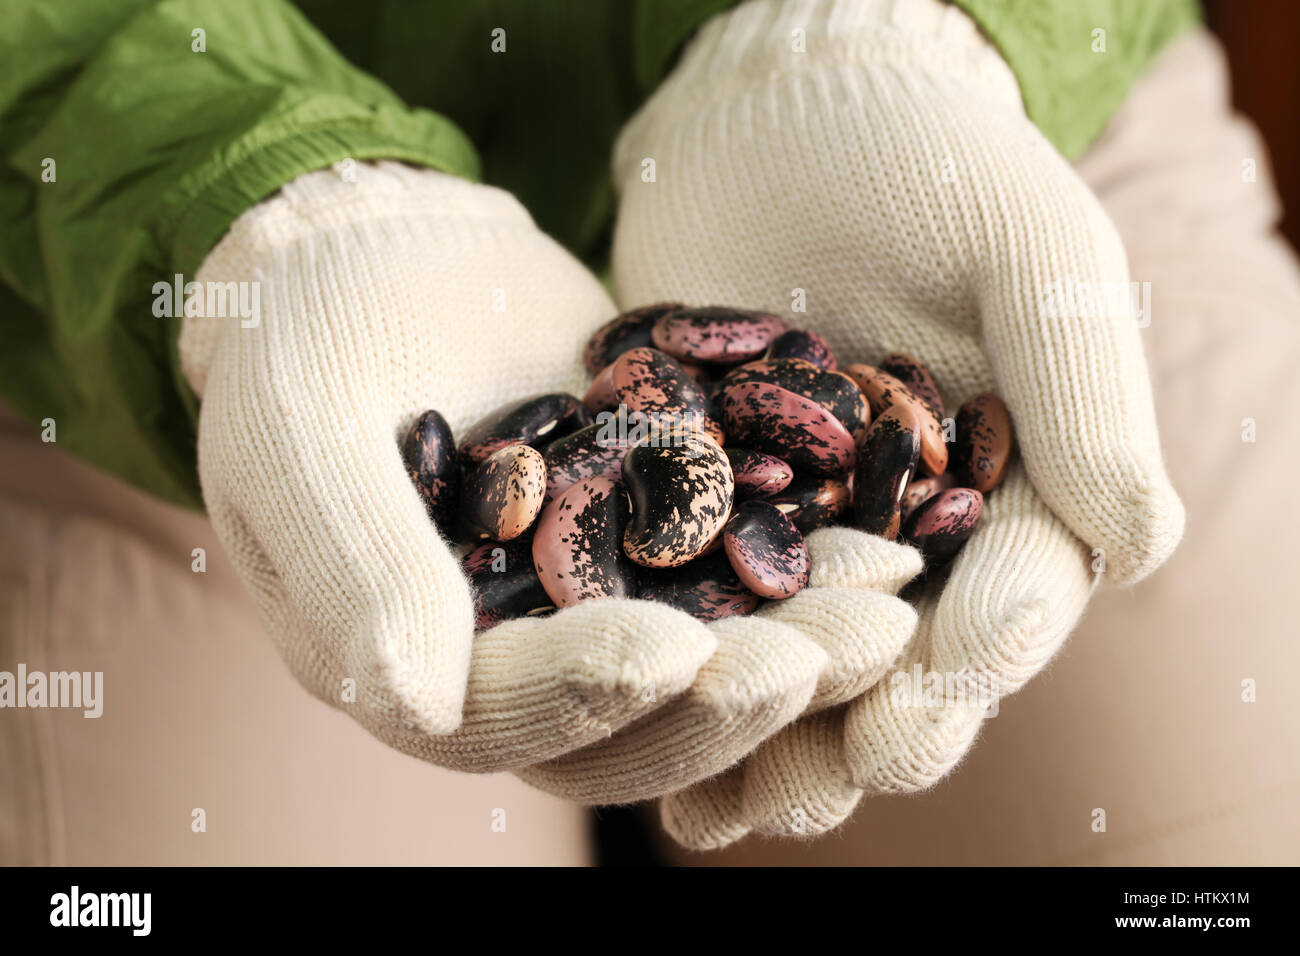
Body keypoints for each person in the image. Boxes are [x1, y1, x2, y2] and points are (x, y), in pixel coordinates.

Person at [1, 0, 1293, 865]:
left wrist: (865, 39)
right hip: (131, 234)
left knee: (1200, 853)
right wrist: (245, 208)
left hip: (987, 93)